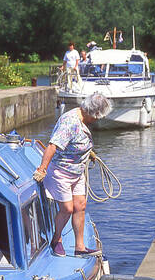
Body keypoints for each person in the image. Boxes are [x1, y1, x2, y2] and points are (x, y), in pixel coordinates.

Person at [33, 92, 111, 256]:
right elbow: (53, 145)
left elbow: (76, 141)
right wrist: (42, 169)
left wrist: (88, 152)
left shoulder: (82, 119)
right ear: (92, 112)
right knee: (67, 209)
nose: (97, 120)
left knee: (80, 206)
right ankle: (56, 240)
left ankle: (80, 247)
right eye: (98, 117)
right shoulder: (70, 122)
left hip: (77, 171)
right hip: (61, 172)